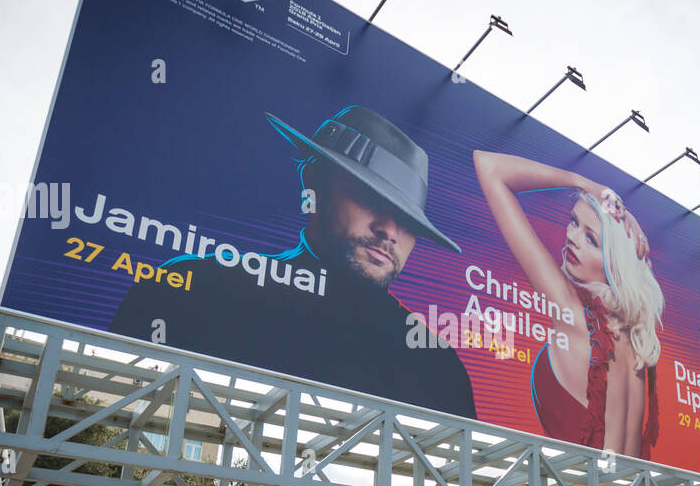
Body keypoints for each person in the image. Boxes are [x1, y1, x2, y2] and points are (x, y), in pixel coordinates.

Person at [111, 104, 476, 419]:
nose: (389, 230)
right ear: (313, 181)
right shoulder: (189, 289)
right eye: (370, 197)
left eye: (408, 221)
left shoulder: (436, 366)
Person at [472, 151, 663, 458]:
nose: (572, 238)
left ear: (615, 262)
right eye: (573, 222)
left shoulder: (573, 310)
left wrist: (582, 181)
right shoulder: (637, 341)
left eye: (591, 239)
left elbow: (489, 167)